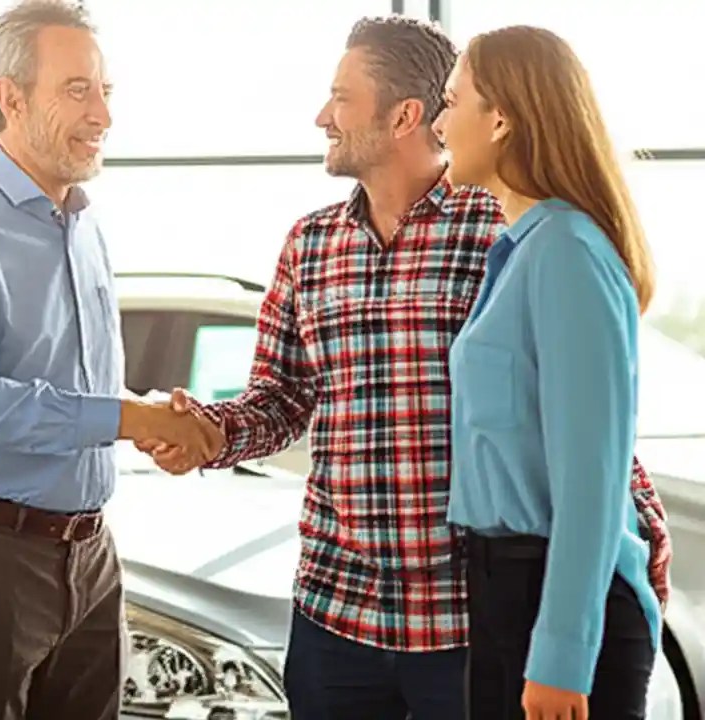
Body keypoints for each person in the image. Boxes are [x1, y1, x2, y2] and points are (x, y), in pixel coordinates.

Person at [139, 15, 672, 720]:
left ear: (405, 115)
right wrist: (207, 434)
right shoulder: (311, 244)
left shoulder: (511, 228)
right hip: (337, 612)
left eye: (341, 98)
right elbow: (280, 398)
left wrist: (627, 542)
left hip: (469, 616)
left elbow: (583, 422)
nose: (321, 117)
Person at [0, 2, 223, 718]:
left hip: (91, 555)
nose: (103, 113)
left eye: (106, 91)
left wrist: (146, 417)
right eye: (78, 89)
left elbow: (73, 389)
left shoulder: (84, 222)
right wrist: (127, 417)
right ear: (11, 97)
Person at [434, 25, 661, 720]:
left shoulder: (566, 251)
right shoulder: (525, 251)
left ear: (500, 118)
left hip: (554, 608)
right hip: (505, 589)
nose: (440, 122)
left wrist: (562, 656)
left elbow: (591, 480)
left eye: (451, 101)